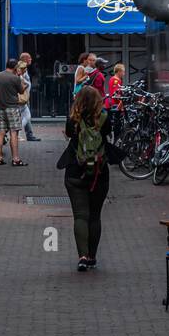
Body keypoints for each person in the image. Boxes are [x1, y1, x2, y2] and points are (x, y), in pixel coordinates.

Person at [60, 85, 112, 272]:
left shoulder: (72, 119)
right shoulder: (105, 117)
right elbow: (108, 135)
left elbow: (68, 135)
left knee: (80, 216)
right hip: (99, 172)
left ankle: (82, 256)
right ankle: (92, 257)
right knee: (95, 216)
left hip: (75, 171)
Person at [0, 59, 29, 167]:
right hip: (12, 108)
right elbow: (21, 91)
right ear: (15, 67)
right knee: (13, 133)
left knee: (1, 132)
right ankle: (16, 159)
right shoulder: (15, 78)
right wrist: (25, 86)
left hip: (1, 107)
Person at [17, 52, 40, 141]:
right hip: (22, 97)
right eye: (29, 58)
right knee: (26, 116)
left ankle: (28, 134)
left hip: (25, 96)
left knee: (25, 116)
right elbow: (20, 80)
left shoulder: (24, 69)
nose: (31, 59)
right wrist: (26, 85)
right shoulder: (21, 69)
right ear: (25, 59)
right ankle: (18, 133)